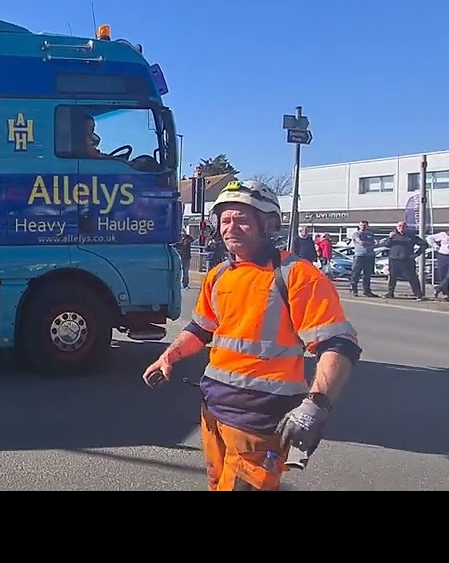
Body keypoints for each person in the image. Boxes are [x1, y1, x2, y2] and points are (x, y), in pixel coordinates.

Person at [142, 179, 362, 491]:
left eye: (242, 220)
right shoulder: (218, 274)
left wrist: (315, 407)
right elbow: (200, 330)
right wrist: (168, 357)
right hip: (213, 410)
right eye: (225, 220)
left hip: (261, 420)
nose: (230, 227)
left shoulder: (296, 275)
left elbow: (339, 345)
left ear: (269, 223)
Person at [381, 221, 426, 300]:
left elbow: (424, 244)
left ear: (406, 227)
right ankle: (390, 293)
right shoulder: (393, 235)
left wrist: (416, 254)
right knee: (392, 277)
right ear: (396, 227)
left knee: (412, 277)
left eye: (403, 226)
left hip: (407, 260)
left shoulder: (411, 236)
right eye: (399, 226)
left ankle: (418, 294)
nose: (401, 228)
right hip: (394, 259)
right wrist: (390, 238)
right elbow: (386, 244)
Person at [347, 221, 378, 298]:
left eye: (364, 225)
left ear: (367, 226)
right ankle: (354, 289)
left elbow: (376, 243)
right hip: (359, 256)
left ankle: (367, 291)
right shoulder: (356, 234)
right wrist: (371, 244)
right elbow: (361, 242)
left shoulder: (370, 234)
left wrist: (372, 244)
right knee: (356, 273)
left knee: (367, 274)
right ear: (359, 226)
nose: (363, 226)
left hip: (369, 256)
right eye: (361, 225)